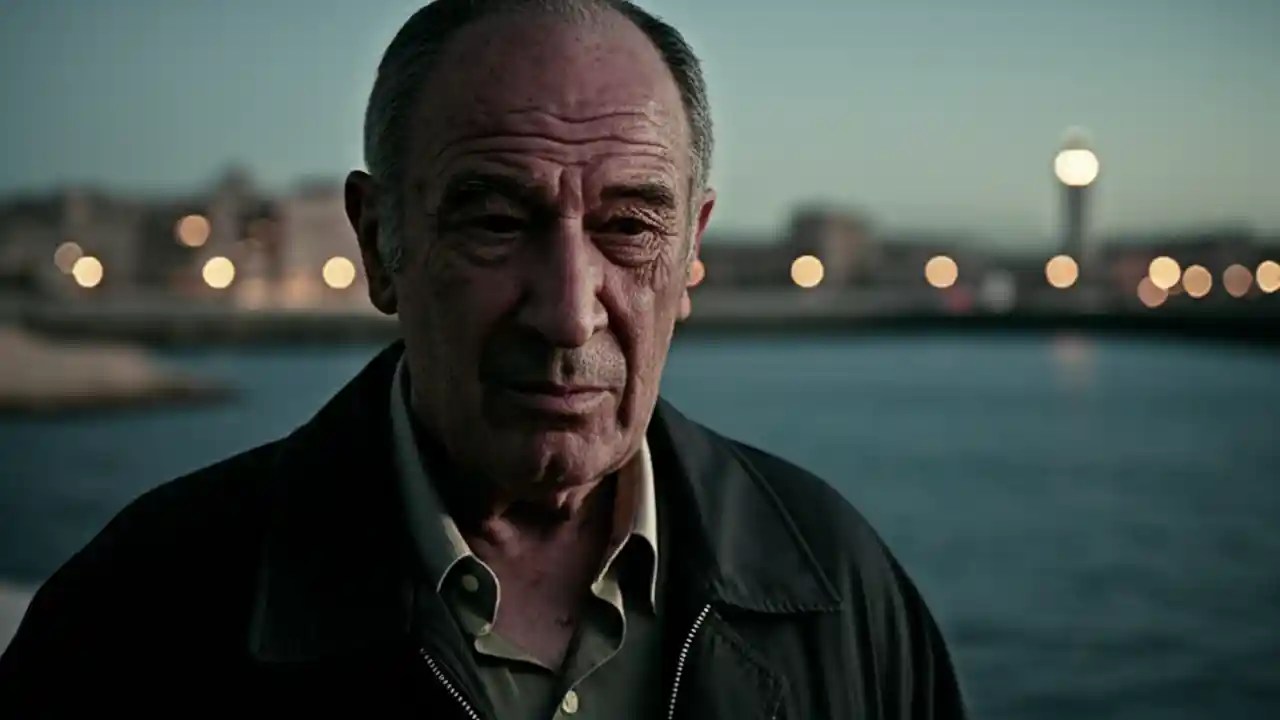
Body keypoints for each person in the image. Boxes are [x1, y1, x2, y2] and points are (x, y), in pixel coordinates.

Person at [0, 1, 967, 717]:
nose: (565, 313)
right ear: (383, 243)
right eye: (498, 221)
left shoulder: (837, 587)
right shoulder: (142, 617)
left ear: (691, 253)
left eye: (630, 226)